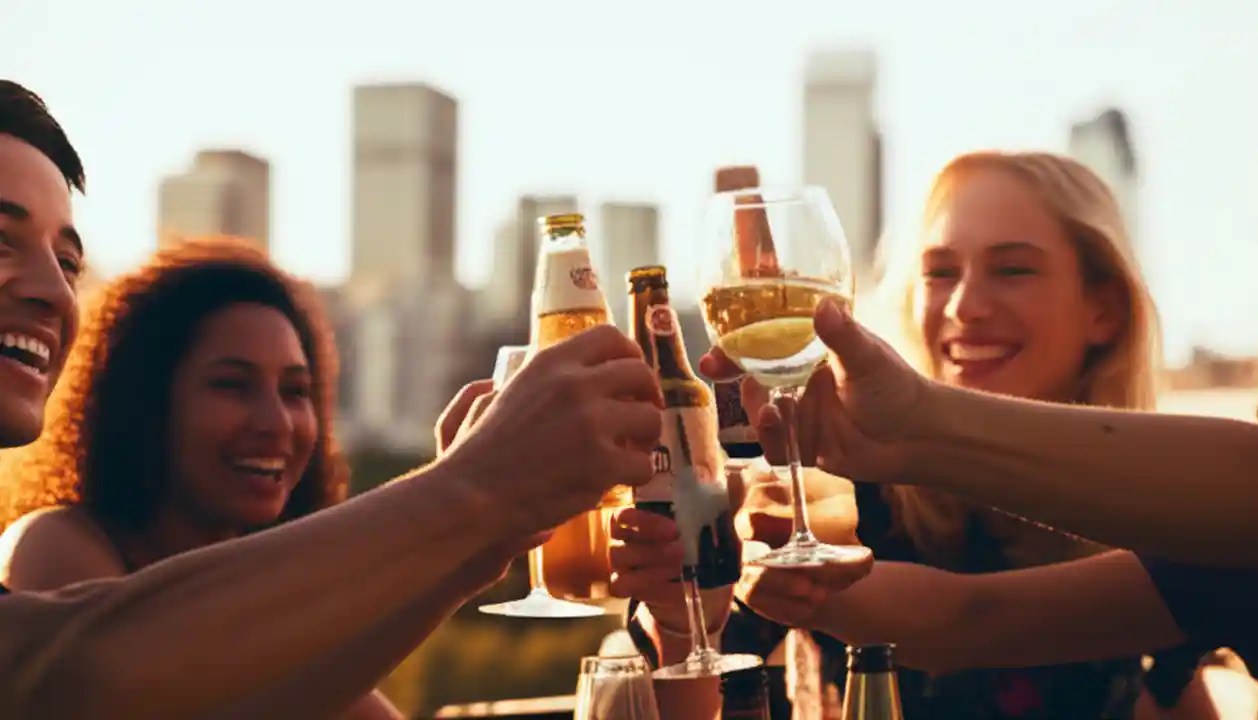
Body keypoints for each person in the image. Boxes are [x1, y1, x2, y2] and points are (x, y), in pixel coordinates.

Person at [0, 80, 664, 718]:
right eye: (231, 384)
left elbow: (277, 696)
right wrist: (477, 489)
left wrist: (491, 539)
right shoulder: (64, 553)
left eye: (68, 263)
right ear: (142, 400)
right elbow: (89, 681)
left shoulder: (254, 613)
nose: (56, 293)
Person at [615, 151, 1163, 718]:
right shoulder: (843, 490)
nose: (964, 306)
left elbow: (1162, 687)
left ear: (1104, 309)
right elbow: (698, 700)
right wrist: (684, 618)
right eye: (939, 272)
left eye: (1013, 270)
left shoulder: (1154, 505)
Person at [731, 305, 1258, 716]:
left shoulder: (1240, 532)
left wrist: (918, 425)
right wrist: (776, 572)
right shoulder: (1230, 563)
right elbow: (968, 618)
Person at [0, 237, 398, 717]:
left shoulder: (262, 596)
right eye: (232, 385)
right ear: (145, 401)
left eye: (296, 391)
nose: (277, 423)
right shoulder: (57, 545)